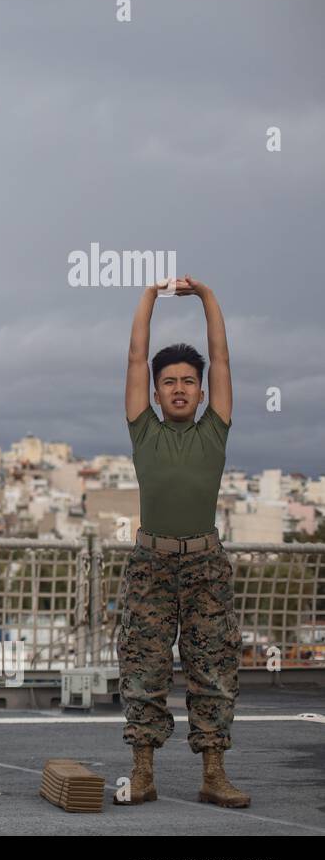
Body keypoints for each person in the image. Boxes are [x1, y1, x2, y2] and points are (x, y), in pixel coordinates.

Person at [116, 275, 249, 807]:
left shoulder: (214, 428)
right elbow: (134, 355)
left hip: (205, 566)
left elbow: (221, 359)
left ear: (200, 390)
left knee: (213, 666)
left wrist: (208, 297)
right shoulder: (143, 428)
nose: (178, 387)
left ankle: (213, 772)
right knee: (144, 667)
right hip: (151, 564)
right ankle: (143, 771)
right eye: (168, 381)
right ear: (154, 392)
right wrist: (149, 296)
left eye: (188, 381)